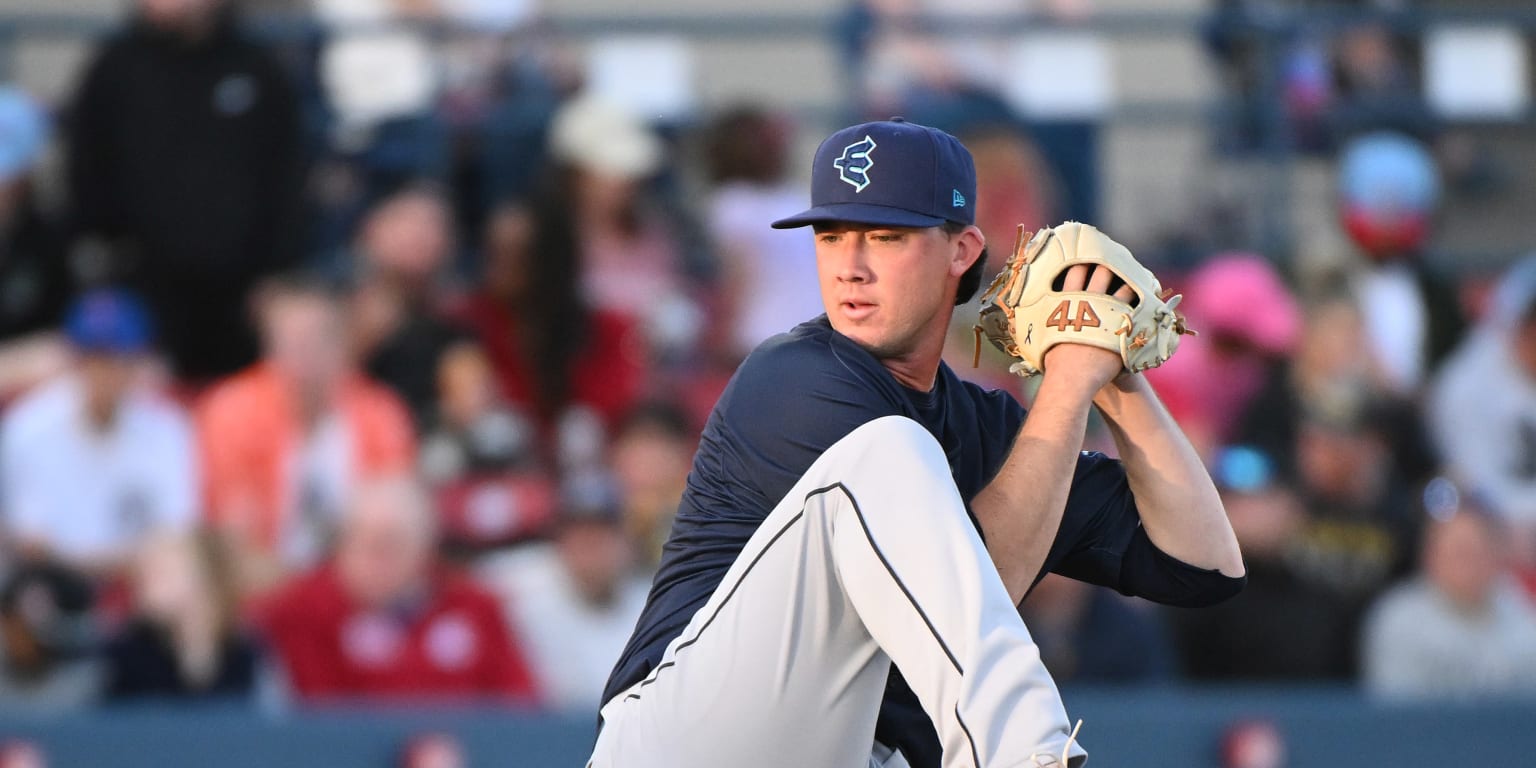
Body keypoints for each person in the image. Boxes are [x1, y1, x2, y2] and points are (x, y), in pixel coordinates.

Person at [594, 119, 1244, 768]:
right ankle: (1028, 753)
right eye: (831, 236)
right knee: (888, 451)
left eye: (884, 237)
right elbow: (974, 582)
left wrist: (1113, 372)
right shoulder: (792, 379)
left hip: (844, 751)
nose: (850, 267)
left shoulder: (986, 429)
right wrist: (1067, 388)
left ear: (960, 252)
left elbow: (1203, 565)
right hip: (690, 734)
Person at [66, 0, 305, 382]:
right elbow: (86, 171)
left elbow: (286, 175)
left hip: (239, 291)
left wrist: (277, 271)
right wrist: (106, 263)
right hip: (143, 283)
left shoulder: (257, 68)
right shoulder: (114, 68)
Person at [197, 275, 416, 593]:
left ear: (343, 344)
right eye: (290, 342)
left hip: (361, 585)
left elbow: (399, 518)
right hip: (265, 586)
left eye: (317, 339)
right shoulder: (231, 411)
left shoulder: (381, 413)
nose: (304, 357)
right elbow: (230, 535)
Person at [258, 476, 539, 703]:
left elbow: (521, 708)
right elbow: (317, 721)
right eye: (365, 543)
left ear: (424, 548)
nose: (377, 560)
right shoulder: (302, 612)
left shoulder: (475, 609)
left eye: (392, 544)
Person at [1, 289, 198, 578]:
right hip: (52, 589)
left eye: (117, 359)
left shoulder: (168, 429)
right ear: (73, 359)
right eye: (94, 358)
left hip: (146, 592)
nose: (105, 373)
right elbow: (30, 546)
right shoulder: (27, 426)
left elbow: (179, 539)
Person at [479, 473, 649, 713]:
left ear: (627, 543)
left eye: (602, 536)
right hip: (547, 734)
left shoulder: (653, 607)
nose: (590, 547)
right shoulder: (522, 583)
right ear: (559, 541)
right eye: (579, 535)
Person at [1362, 488, 1536, 699]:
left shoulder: (1523, 612)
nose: (1469, 565)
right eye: (1458, 553)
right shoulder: (1397, 618)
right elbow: (1396, 712)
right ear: (1430, 556)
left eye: (1477, 552)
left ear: (1497, 556)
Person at [103, 531, 263, 702]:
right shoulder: (123, 655)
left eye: (161, 572)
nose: (144, 583)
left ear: (205, 580)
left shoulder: (246, 652)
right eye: (142, 574)